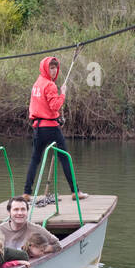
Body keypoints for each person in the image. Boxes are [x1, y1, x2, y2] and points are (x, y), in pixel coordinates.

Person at [23, 55, 86, 199]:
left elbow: (38, 105)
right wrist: (63, 93)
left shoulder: (37, 83)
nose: (54, 70)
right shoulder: (50, 85)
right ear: (45, 68)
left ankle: (27, 192)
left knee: (35, 159)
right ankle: (75, 192)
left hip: (38, 127)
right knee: (65, 158)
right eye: (51, 67)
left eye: (55, 67)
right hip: (50, 128)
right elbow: (54, 106)